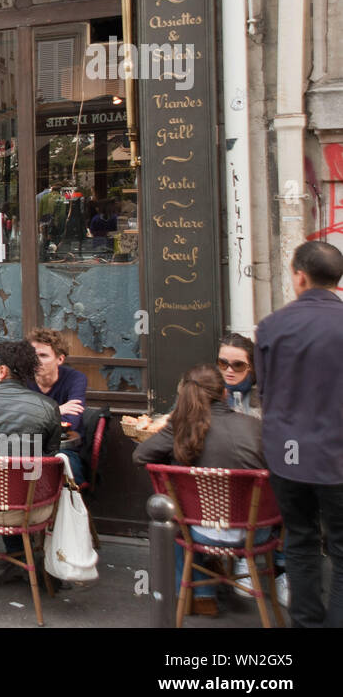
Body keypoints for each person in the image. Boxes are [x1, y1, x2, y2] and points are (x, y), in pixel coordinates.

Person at [133, 364, 276, 617]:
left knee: (171, 510)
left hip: (200, 531)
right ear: (224, 393)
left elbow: (140, 455)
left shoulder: (180, 428)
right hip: (255, 532)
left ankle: (198, 593)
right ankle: (206, 584)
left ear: (184, 394)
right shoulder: (255, 426)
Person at [253, 240, 343, 628]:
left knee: (301, 540)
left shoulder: (272, 326)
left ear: (300, 276)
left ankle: (306, 623)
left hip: (288, 455)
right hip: (336, 457)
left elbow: (266, 393)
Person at [0, 340, 62, 580]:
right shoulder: (48, 406)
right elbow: (51, 458)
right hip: (31, 508)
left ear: (2, 371)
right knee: (21, 480)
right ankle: (27, 558)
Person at [27, 328, 89, 485]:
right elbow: (15, 419)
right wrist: (57, 410)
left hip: (64, 449)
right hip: (27, 447)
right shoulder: (23, 379)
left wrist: (32, 416)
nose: (36, 361)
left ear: (60, 359)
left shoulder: (75, 379)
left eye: (43, 355)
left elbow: (71, 423)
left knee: (66, 467)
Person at [217, 332, 259, 416]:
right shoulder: (205, 393)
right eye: (223, 363)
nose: (229, 370)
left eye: (238, 365)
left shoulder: (265, 395)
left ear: (251, 366)